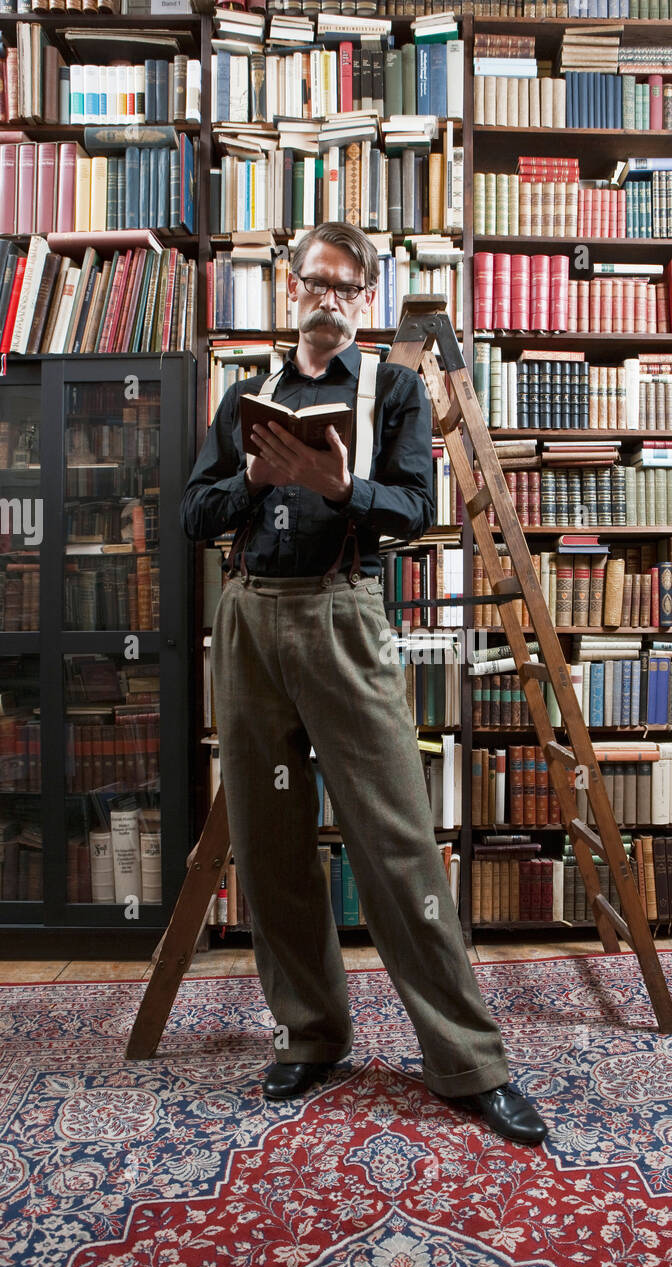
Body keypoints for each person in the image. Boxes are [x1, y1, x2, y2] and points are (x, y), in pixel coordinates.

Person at [180, 221, 547, 1145]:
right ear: (290, 287)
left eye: (349, 289)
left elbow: (417, 514)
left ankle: (468, 1058)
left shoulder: (394, 393)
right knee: (269, 841)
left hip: (344, 615)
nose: (331, 302)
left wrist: (342, 490)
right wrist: (257, 482)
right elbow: (192, 513)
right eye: (318, 284)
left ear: (367, 300)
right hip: (251, 617)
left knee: (396, 839)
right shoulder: (242, 397)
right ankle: (311, 1034)